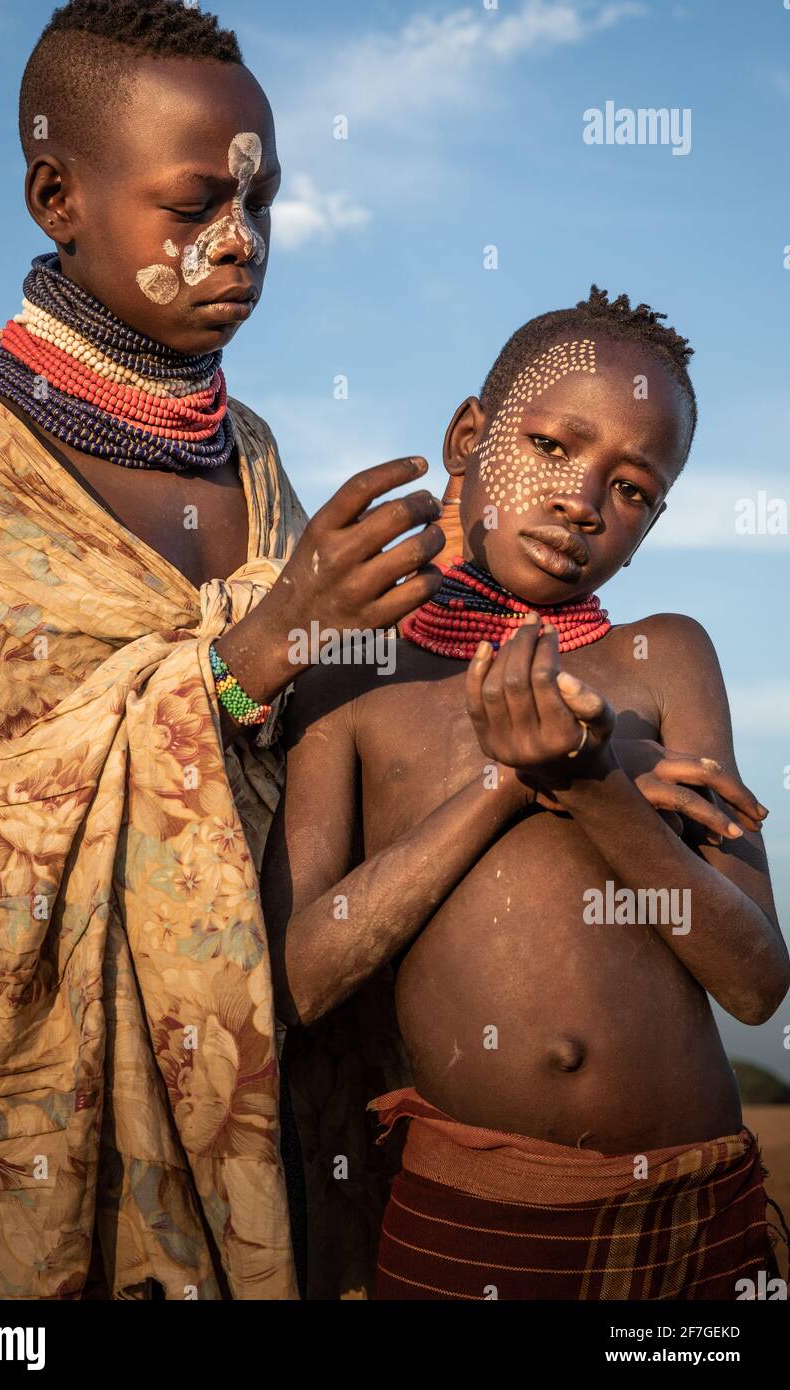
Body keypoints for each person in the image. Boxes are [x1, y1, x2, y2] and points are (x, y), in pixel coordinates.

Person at [0, 0, 448, 1300]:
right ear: (57, 196)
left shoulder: (248, 450)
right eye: (194, 207)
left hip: (267, 1026)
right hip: (49, 1077)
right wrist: (258, 640)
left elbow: (326, 715)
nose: (239, 243)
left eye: (262, 205)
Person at [262, 287, 790, 1300]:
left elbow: (756, 979)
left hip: (694, 1208)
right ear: (469, 435)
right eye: (551, 446)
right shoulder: (355, 679)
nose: (582, 502)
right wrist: (506, 783)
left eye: (631, 489)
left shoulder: (662, 659)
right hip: (470, 1222)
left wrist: (592, 787)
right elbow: (299, 981)